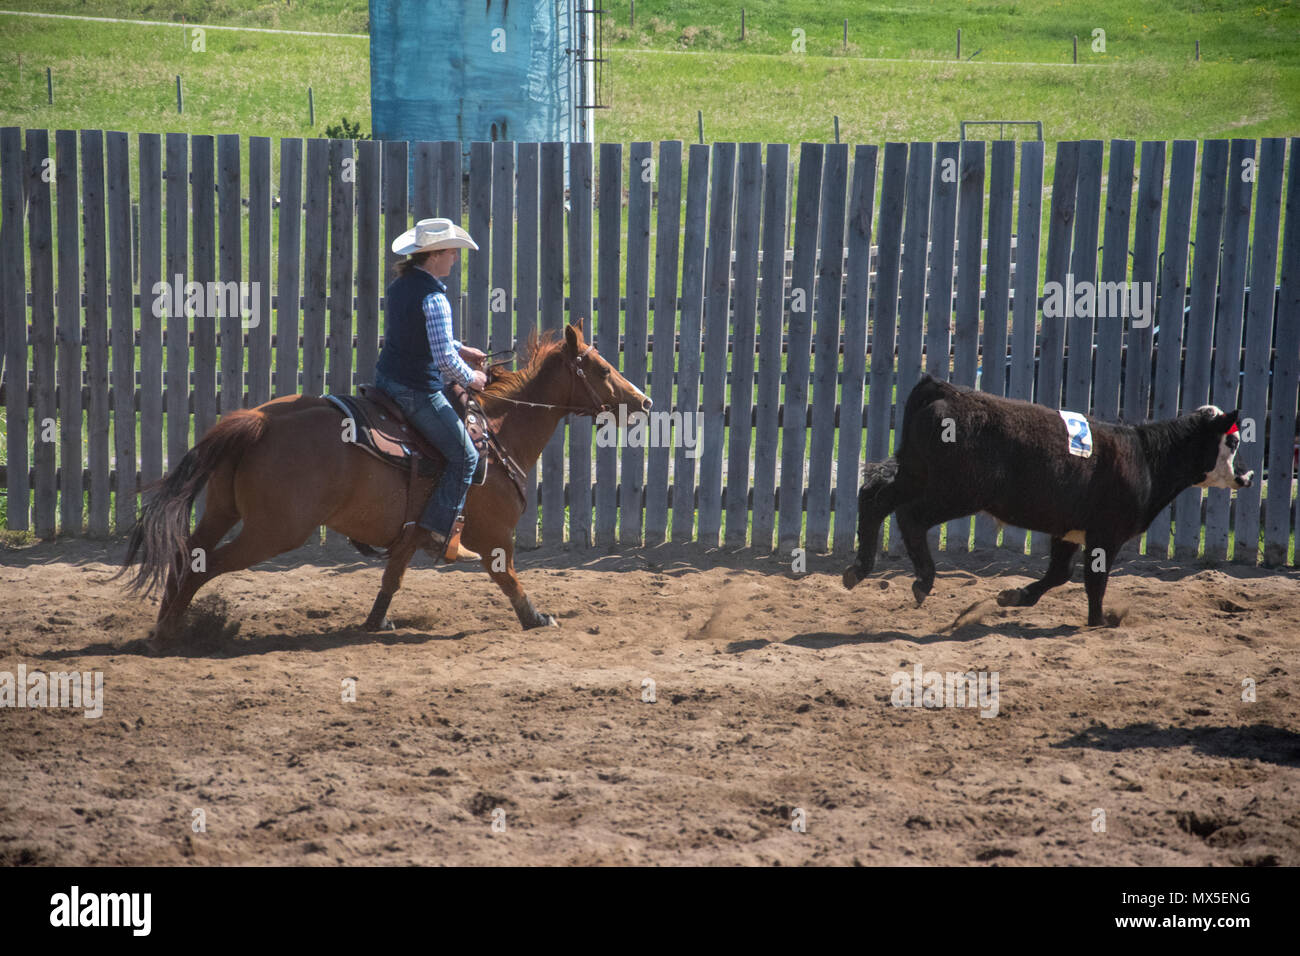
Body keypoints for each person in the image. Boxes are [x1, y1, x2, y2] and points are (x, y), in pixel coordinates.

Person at [374, 218, 487, 563]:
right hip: (416, 390)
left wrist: (459, 346)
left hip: (387, 380)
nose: (455, 257)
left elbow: (417, 334)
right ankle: (440, 531)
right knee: (466, 456)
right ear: (435, 255)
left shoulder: (401, 285)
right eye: (452, 251)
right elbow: (442, 360)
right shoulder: (435, 298)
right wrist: (472, 377)